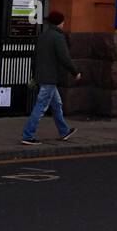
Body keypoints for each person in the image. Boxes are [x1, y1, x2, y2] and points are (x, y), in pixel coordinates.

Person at [21, 11, 80, 144]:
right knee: (41, 106)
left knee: (57, 104)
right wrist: (75, 72)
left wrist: (34, 74)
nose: (64, 24)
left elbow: (34, 57)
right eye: (63, 22)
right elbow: (64, 57)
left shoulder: (43, 36)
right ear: (60, 22)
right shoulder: (58, 37)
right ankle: (28, 135)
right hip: (50, 77)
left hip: (42, 76)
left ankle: (64, 131)